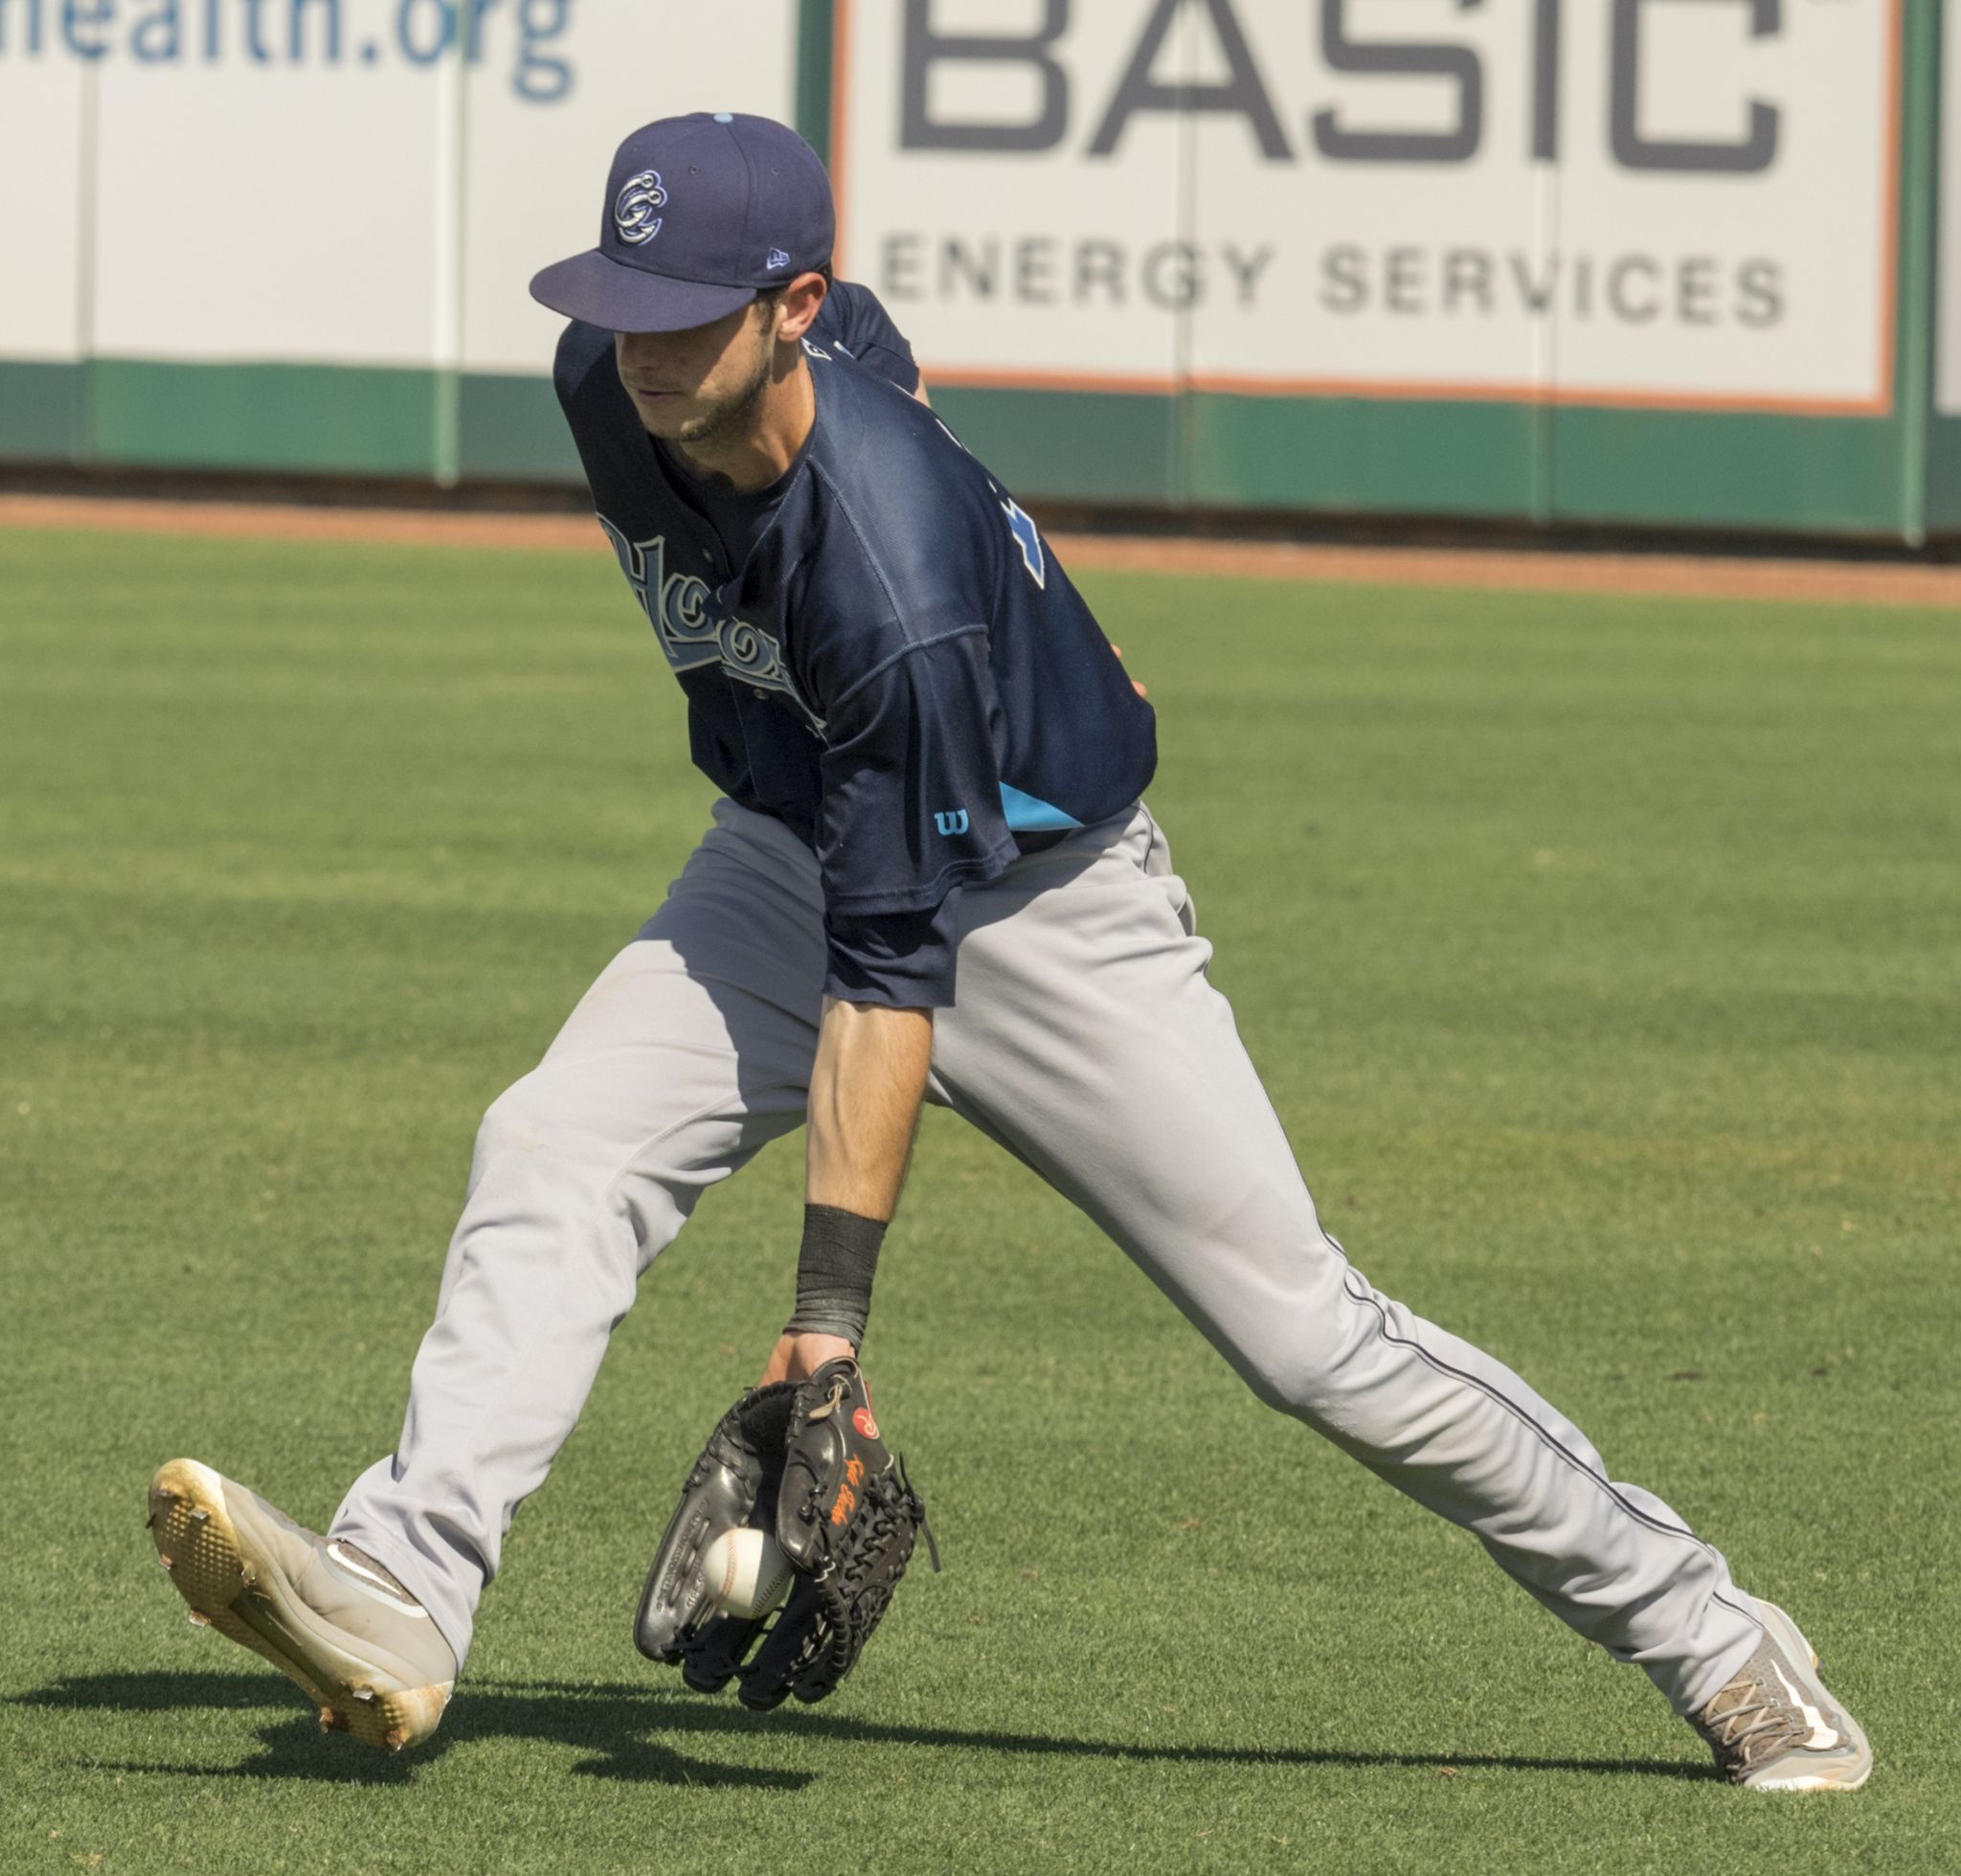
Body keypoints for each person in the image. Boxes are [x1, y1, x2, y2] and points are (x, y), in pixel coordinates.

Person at [148, 112, 1869, 1791]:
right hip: (785, 854)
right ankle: (403, 1591)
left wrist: (826, 1330)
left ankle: (1715, 1636)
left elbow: (891, 984)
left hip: (1051, 908)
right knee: (553, 1143)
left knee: (1307, 1339)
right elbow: (848, 444)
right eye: (618, 293)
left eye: (685, 310)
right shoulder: (613, 381)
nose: (639, 342)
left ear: (792, 310)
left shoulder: (888, 583)